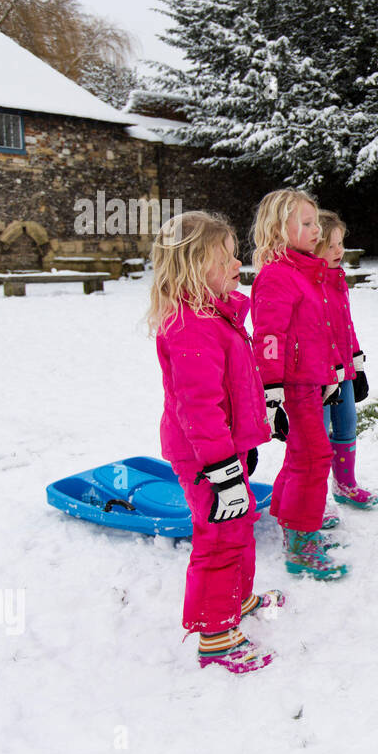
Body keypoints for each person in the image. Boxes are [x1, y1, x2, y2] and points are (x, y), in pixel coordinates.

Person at [148, 210, 282, 673]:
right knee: (218, 537)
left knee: (239, 528)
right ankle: (216, 636)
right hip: (207, 458)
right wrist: (224, 473)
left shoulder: (219, 316)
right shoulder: (190, 327)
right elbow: (199, 409)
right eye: (222, 257)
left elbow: (236, 386)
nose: (236, 263)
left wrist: (252, 433)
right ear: (189, 266)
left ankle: (236, 601)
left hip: (226, 451)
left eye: (233, 254)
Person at [249, 189, 349, 580]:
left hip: (312, 380)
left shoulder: (306, 270)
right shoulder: (277, 276)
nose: (316, 229)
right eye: (306, 224)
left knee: (304, 454)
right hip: (292, 384)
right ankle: (300, 541)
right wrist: (271, 393)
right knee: (313, 457)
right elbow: (269, 336)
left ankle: (293, 519)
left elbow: (319, 330)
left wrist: (331, 374)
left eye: (315, 222)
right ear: (278, 229)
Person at [316, 210, 378, 510]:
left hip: (344, 372)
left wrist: (358, 366)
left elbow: (347, 327)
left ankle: (345, 485)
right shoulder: (309, 287)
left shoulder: (338, 281)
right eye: (330, 245)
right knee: (316, 440)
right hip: (319, 377)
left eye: (340, 243)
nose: (338, 251)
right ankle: (316, 501)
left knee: (347, 427)